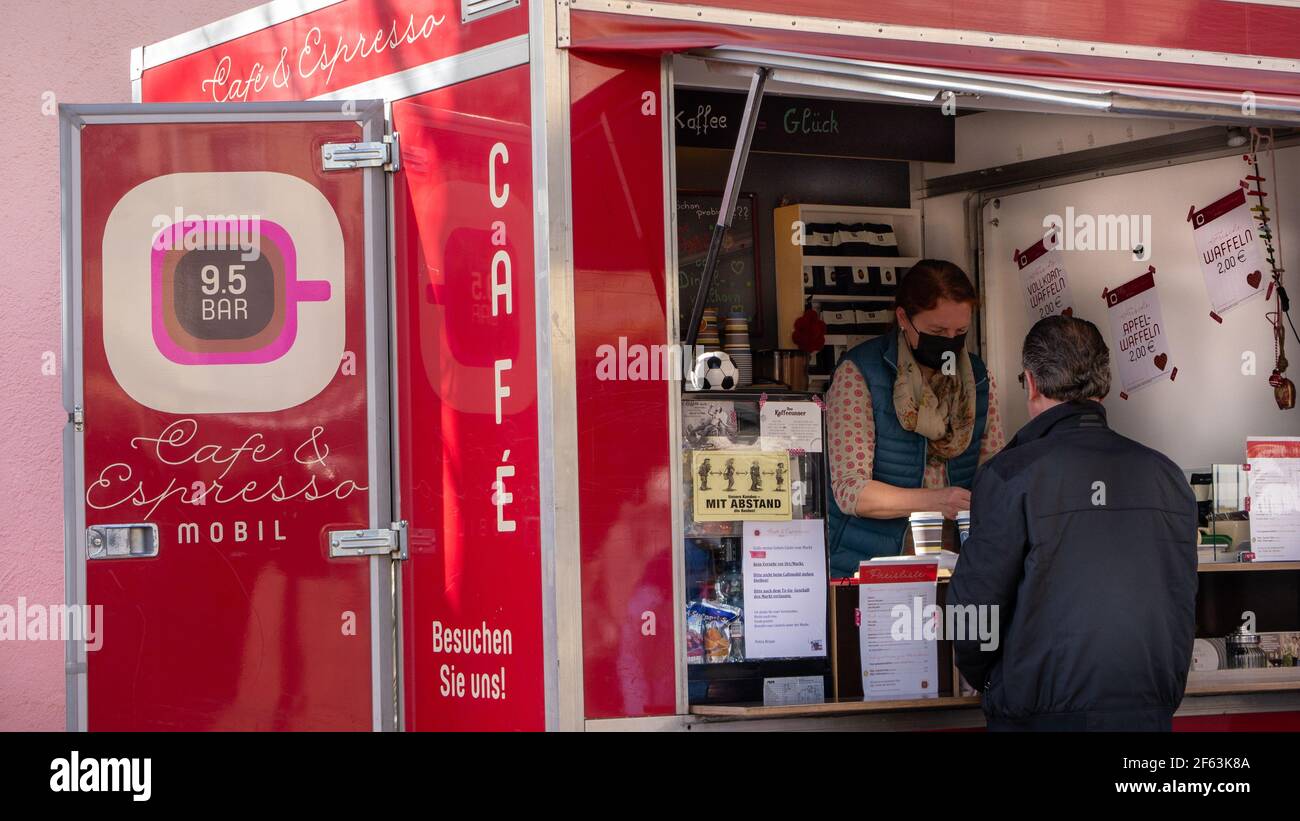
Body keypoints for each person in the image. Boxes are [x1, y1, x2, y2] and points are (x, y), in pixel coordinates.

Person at [948, 315, 1198, 731]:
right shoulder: (1167, 477)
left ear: (1030, 382)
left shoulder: (1009, 476)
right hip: (1146, 712)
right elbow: (1181, 600)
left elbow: (975, 611)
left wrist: (992, 679)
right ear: (1102, 381)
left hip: (1037, 717)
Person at [826, 260, 1005, 576]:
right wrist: (937, 500)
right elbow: (850, 491)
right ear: (903, 319)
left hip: (957, 562)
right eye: (937, 331)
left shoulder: (978, 379)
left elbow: (995, 475)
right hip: (873, 562)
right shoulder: (859, 373)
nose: (950, 341)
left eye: (960, 332)